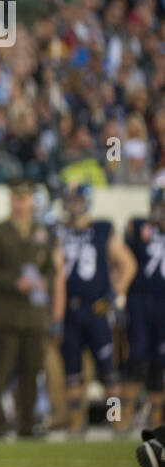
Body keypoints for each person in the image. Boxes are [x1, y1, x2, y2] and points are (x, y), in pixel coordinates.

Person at [0, 180, 64, 438]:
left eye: (25, 199)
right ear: (11, 201)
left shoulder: (42, 231)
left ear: (31, 201)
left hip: (35, 316)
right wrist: (14, 282)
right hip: (6, 313)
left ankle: (27, 425)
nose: (21, 204)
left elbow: (52, 270)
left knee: (32, 372)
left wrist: (44, 282)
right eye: (16, 199)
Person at [55, 181, 136, 434]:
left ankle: (117, 422)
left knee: (109, 373)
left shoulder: (102, 230)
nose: (71, 205)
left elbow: (127, 264)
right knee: (72, 373)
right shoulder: (59, 231)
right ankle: (76, 423)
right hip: (70, 310)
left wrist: (115, 295)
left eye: (76, 200)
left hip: (96, 309)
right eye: (69, 199)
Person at [125, 177, 165, 431]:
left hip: (163, 303)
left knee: (160, 361)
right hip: (140, 301)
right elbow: (126, 259)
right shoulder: (139, 227)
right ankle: (124, 416)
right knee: (136, 357)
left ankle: (156, 418)